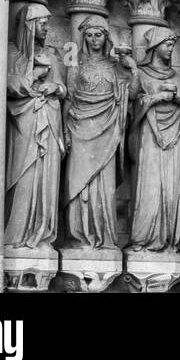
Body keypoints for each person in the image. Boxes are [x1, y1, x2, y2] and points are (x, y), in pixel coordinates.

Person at [63, 16, 132, 249]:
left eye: (99, 35)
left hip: (108, 128)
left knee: (103, 184)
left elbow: (131, 94)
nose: (94, 40)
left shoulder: (114, 66)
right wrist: (64, 129)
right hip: (79, 127)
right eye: (90, 35)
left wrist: (132, 70)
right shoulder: (74, 62)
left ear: (106, 37)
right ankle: (78, 236)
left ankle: (102, 235)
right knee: (78, 182)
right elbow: (69, 97)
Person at [128, 28, 180, 251]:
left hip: (175, 138)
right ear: (154, 46)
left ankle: (168, 239)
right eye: (167, 44)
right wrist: (156, 97)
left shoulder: (175, 77)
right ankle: (143, 238)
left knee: (171, 186)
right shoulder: (142, 73)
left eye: (172, 45)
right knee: (149, 185)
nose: (171, 49)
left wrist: (176, 97)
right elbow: (131, 102)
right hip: (150, 135)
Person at [5, 47, 65, 249]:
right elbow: (7, 84)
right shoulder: (13, 54)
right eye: (40, 23)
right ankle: (16, 235)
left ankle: (42, 233)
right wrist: (33, 76)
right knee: (25, 180)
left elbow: (64, 89)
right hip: (25, 130)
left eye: (47, 22)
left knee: (46, 181)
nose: (45, 27)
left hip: (49, 128)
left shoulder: (52, 54)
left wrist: (56, 88)